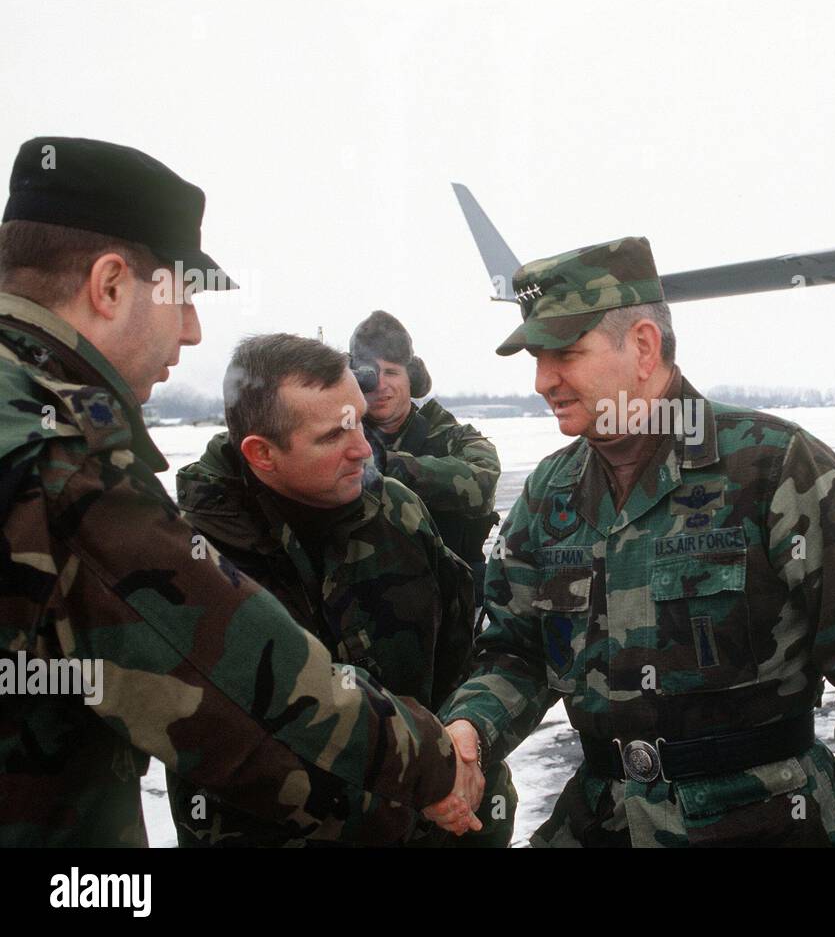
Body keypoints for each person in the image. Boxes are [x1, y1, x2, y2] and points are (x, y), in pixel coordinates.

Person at [0, 136, 481, 846]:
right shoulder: (55, 448)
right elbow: (247, 686)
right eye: (183, 297)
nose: (192, 332)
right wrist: (436, 765)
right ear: (108, 286)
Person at [433, 236, 835, 847]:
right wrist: (470, 726)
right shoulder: (552, 488)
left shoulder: (772, 464)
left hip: (761, 817)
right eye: (536, 360)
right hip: (605, 818)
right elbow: (516, 650)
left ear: (644, 347)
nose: (544, 381)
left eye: (565, 353)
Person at [166, 332, 515, 846]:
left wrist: (464, 779)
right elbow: (236, 749)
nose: (363, 449)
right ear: (262, 454)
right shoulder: (190, 559)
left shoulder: (396, 511)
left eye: (359, 420)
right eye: (333, 436)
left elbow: (457, 663)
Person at [350, 310, 500, 607]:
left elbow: (480, 484)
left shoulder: (453, 437)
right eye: (370, 374)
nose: (381, 385)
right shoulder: (341, 435)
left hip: (444, 603)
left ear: (412, 380)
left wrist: (384, 464)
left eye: (392, 372)